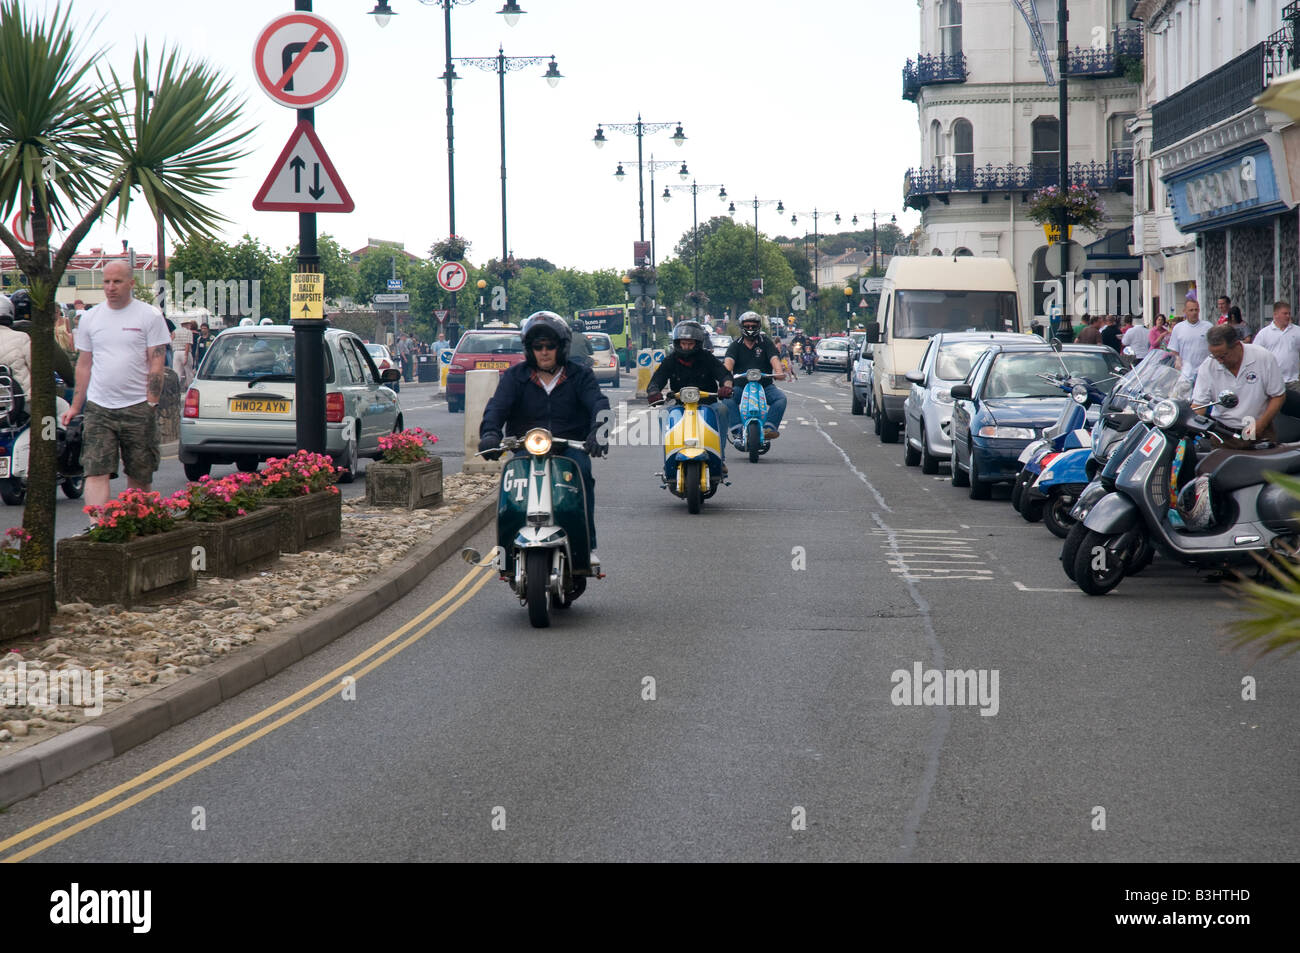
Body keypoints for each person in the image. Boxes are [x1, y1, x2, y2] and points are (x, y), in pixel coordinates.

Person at [478, 311, 609, 557]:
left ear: (562, 347)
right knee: (511, 486)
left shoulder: (581, 375)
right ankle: (505, 550)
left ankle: (587, 546)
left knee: (584, 474)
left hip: (570, 447)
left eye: (550, 346)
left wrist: (599, 432)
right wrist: (490, 434)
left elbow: (599, 404)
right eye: (538, 346)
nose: (544, 351)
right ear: (530, 349)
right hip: (525, 447)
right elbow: (497, 407)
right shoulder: (515, 376)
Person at [61, 261, 171, 507]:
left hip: (138, 406)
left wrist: (151, 403)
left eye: (117, 281)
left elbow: (156, 362)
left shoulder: (149, 316)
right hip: (100, 407)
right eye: (107, 282)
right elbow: (84, 364)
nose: (111, 287)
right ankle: (97, 527)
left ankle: (135, 524)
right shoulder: (90, 318)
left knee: (139, 473)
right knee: (95, 469)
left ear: (131, 283)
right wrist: (76, 406)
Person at [646, 320, 734, 473]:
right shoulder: (670, 360)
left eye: (690, 343)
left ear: (697, 343)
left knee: (722, 409)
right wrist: (653, 391)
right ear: (677, 343)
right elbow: (657, 379)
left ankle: (720, 458)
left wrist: (726, 386)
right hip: (680, 405)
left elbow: (724, 374)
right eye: (683, 343)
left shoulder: (707, 358)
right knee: (663, 414)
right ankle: (669, 458)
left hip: (708, 403)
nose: (686, 347)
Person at [1192, 324, 1285, 448]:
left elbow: (1278, 396)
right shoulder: (1208, 366)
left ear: (1237, 345)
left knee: (1262, 466)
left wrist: (1261, 424)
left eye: (1223, 356)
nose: (1219, 361)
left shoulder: (1263, 358)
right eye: (1215, 356)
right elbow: (1200, 405)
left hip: (1259, 432)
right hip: (1223, 435)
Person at [722, 311, 787, 439]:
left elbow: (774, 358)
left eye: (753, 326)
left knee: (780, 399)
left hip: (765, 386)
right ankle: (737, 429)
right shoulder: (735, 345)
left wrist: (779, 372)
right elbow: (728, 363)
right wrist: (725, 377)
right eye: (747, 326)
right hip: (740, 386)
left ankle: (769, 427)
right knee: (726, 399)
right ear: (742, 327)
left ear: (759, 327)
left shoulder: (766, 343)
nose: (750, 329)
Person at [1167, 297, 1210, 384]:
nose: (1194, 313)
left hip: (1204, 373)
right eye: (1191, 310)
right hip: (1185, 375)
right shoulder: (1178, 328)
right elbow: (1174, 351)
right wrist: (1177, 360)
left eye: (1196, 310)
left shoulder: (1208, 327)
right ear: (1185, 311)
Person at [0, 294, 32, 399]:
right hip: (22, 400)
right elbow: (36, 369)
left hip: (6, 403)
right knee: (62, 408)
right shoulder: (22, 338)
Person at [171, 317, 193, 386]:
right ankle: (189, 386)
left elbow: (170, 341)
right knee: (188, 372)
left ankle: (175, 387)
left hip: (176, 352)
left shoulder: (175, 331)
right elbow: (187, 344)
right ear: (187, 325)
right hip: (185, 352)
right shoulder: (189, 332)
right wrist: (186, 356)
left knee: (177, 372)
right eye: (189, 324)